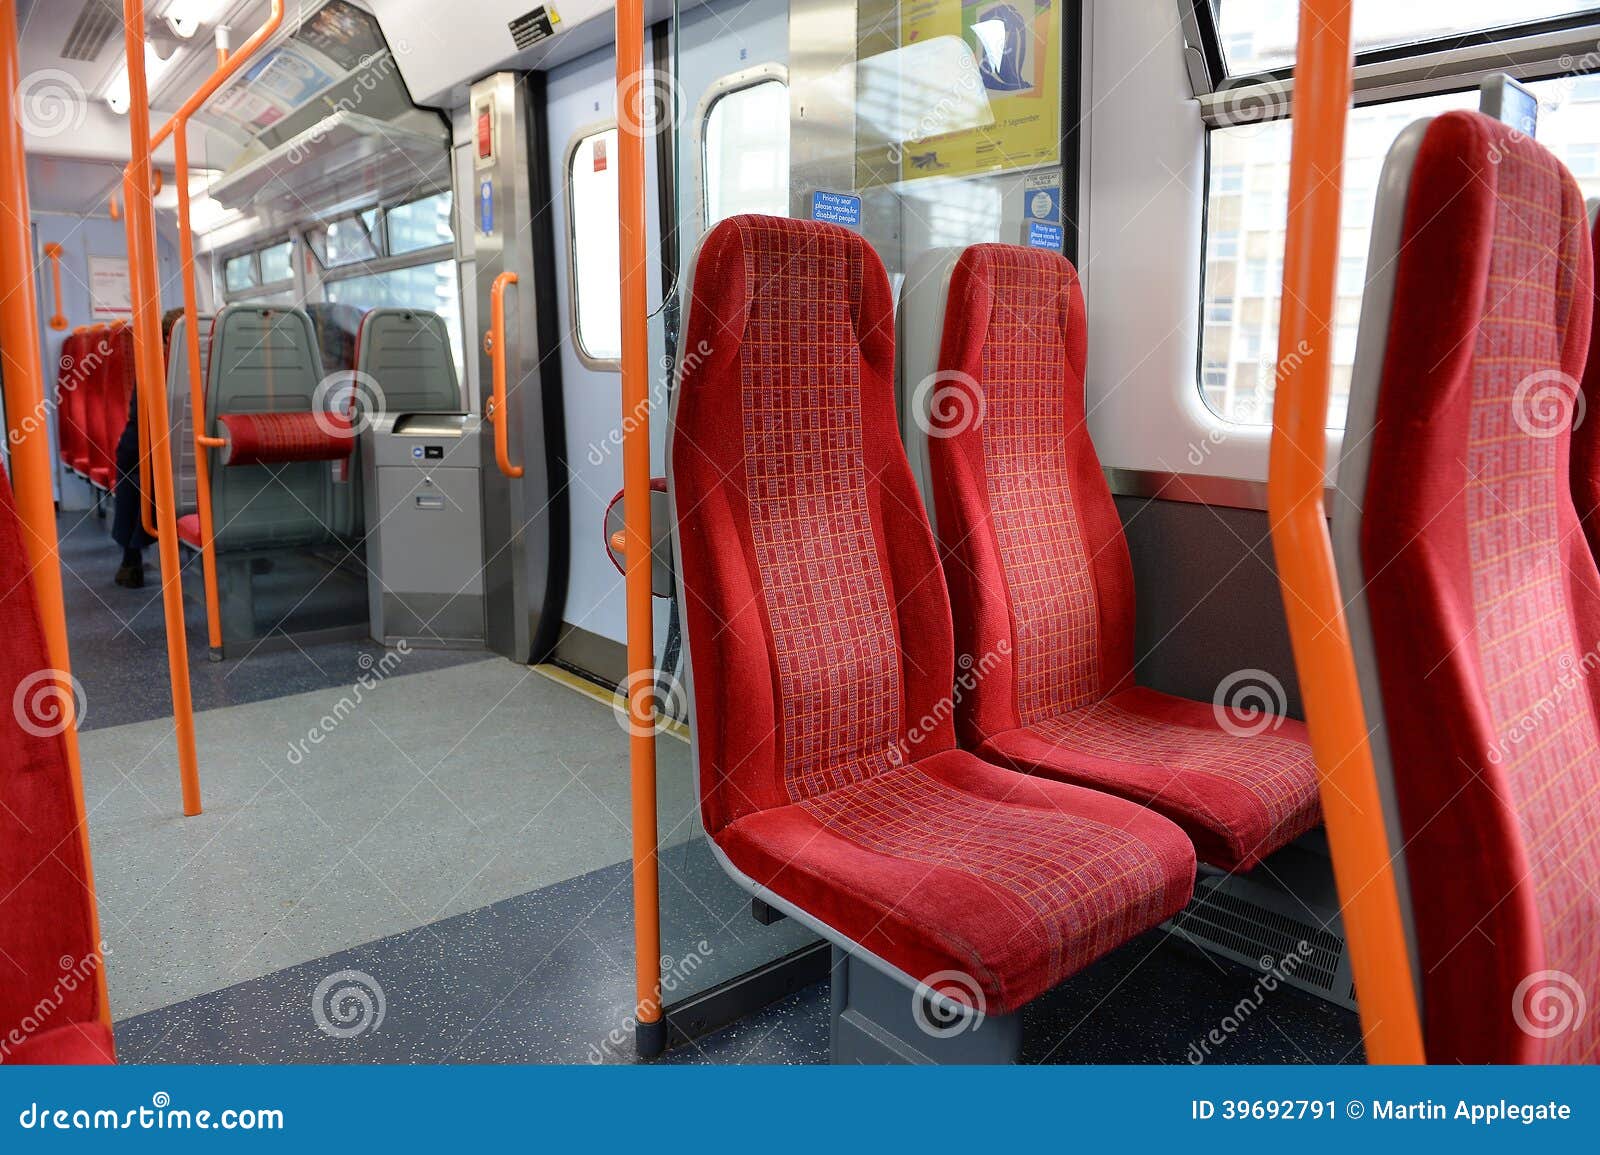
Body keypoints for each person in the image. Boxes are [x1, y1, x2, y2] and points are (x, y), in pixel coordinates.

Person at [111, 308, 182, 588]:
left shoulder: (156, 372)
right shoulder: (152, 370)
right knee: (140, 461)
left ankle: (131, 558)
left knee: (137, 461)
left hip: (163, 454)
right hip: (162, 454)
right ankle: (133, 554)